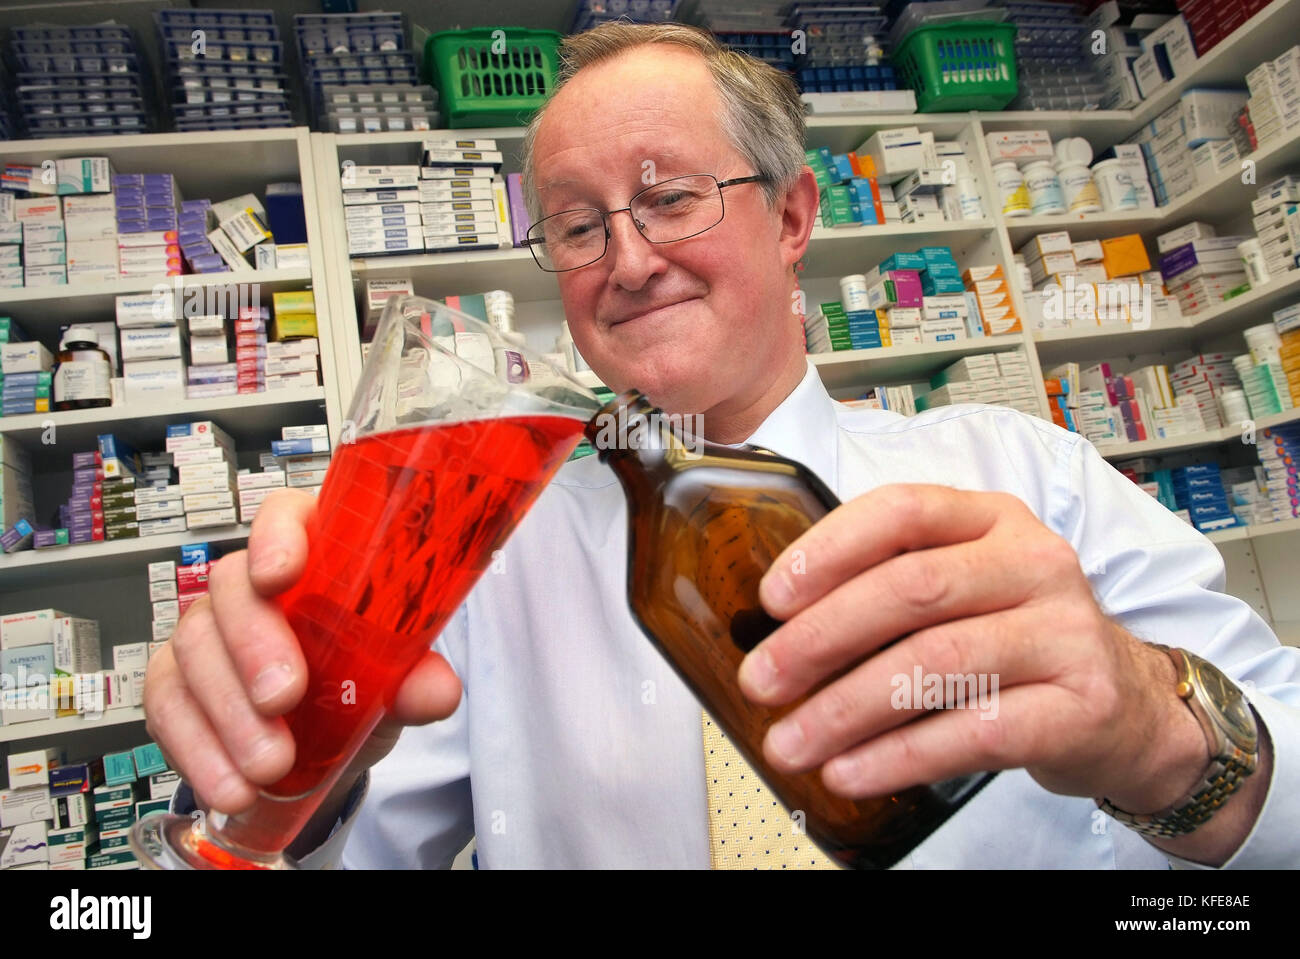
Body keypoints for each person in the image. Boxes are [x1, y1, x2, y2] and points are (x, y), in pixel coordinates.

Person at [149, 22, 1300, 869]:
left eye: (672, 197)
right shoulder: (490, 560)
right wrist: (292, 763)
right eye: (577, 224)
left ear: (794, 218)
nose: (628, 259)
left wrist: (1158, 728)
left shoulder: (1024, 474)